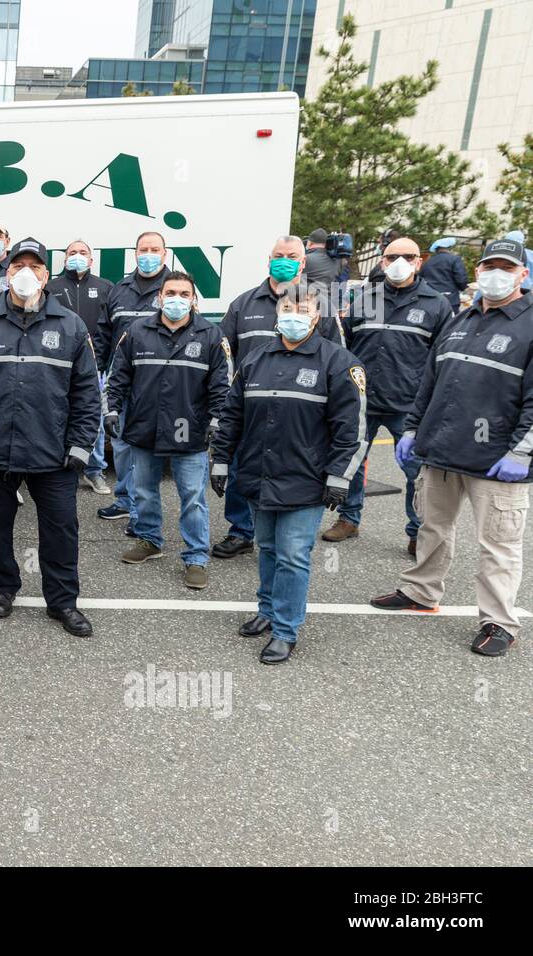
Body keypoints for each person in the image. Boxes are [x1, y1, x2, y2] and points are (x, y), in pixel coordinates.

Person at [370, 237, 533, 658]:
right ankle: (421, 590)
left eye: (506, 267)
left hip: (497, 461)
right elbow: (431, 380)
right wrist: (411, 429)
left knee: (498, 544)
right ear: (476, 272)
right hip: (442, 450)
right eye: (488, 266)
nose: (495, 274)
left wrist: (522, 453)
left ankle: (498, 621)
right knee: (433, 527)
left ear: (522, 275)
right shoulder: (461, 319)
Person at [0, 237, 102, 637]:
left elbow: (87, 392)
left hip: (53, 453)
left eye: (35, 267)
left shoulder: (70, 325)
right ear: (7, 273)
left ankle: (63, 601)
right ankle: (3, 587)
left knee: (61, 529)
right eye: (18, 265)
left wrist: (81, 445)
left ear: (46, 275)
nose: (25, 274)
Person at [211, 284, 367, 664]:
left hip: (306, 479)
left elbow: (352, 428)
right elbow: (232, 415)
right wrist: (220, 460)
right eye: (287, 306)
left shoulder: (338, 362)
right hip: (259, 475)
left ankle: (285, 630)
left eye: (304, 307)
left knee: (294, 555)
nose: (294, 312)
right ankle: (266, 611)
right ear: (277, 312)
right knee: (267, 548)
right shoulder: (256, 359)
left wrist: (339, 477)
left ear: (317, 316)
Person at [212, 235, 345, 560]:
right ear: (268, 259)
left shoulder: (321, 305)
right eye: (278, 255)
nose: (283, 260)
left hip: (301, 412)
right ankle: (241, 531)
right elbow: (223, 353)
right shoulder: (243, 304)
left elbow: (338, 359)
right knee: (243, 467)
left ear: (302, 263)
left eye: (291, 256)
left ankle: (285, 536)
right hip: (251, 407)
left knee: (291, 471)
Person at [323, 237, 451, 550]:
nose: (399, 262)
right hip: (363, 401)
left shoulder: (436, 304)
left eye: (407, 256)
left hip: (409, 405)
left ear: (419, 261)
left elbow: (443, 358)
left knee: (414, 471)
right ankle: (349, 519)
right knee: (352, 461)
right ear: (382, 261)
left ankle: (416, 531)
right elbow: (346, 346)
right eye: (392, 256)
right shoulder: (366, 298)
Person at [106, 271, 230, 589]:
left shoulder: (210, 335)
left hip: (190, 430)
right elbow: (118, 375)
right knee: (144, 491)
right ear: (159, 297)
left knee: (192, 497)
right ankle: (149, 540)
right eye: (170, 292)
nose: (176, 298)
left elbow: (221, 386)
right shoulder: (137, 331)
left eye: (184, 293)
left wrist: (217, 421)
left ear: (194, 299)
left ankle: (196, 557)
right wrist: (112, 409)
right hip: (144, 425)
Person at [95, 231, 172, 530]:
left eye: (155, 249)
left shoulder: (174, 289)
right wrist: (98, 370)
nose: (148, 254)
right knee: (123, 443)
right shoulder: (119, 289)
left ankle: (143, 513)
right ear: (135, 252)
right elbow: (103, 333)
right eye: (143, 249)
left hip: (160, 383)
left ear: (165, 254)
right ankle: (125, 499)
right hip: (122, 380)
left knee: (147, 448)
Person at [47, 238, 115, 495]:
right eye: (72, 252)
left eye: (82, 252)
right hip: (59, 363)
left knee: (92, 417)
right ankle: (58, 465)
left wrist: (100, 360)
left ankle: (94, 471)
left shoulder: (105, 287)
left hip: (94, 365)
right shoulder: (52, 287)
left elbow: (108, 329)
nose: (77, 256)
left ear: (91, 259)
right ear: (64, 260)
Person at [419, 237, 469, 314]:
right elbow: (461, 279)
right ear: (449, 248)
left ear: (436, 250)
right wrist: (462, 288)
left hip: (430, 299)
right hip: (450, 300)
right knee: (451, 324)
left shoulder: (428, 262)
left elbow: (420, 279)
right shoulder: (454, 259)